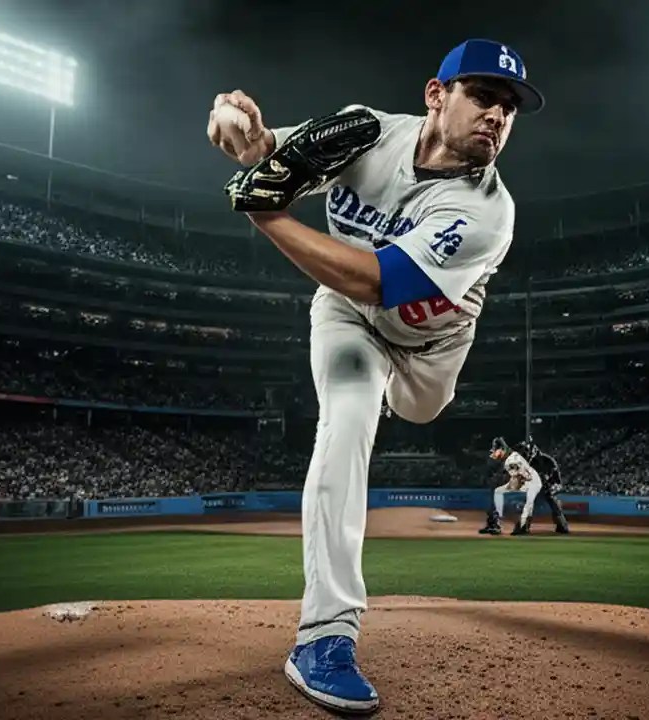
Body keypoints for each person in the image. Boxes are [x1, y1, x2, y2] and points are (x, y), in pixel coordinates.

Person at [206, 38, 543, 713]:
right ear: (435, 94)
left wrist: (265, 213)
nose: (497, 116)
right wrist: (241, 130)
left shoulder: (489, 211)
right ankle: (324, 636)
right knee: (347, 420)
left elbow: (376, 277)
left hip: (434, 345)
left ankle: (391, 393)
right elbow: (274, 154)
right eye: (483, 96)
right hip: (348, 319)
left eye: (509, 106)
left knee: (418, 410)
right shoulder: (367, 132)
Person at [481, 436, 543, 536]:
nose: (493, 453)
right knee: (498, 491)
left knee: (528, 504)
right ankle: (496, 519)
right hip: (522, 479)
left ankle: (523, 527)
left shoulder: (511, 461)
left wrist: (514, 485)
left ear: (501, 450)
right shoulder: (509, 457)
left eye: (495, 450)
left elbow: (524, 477)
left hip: (532, 482)